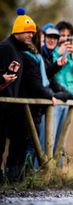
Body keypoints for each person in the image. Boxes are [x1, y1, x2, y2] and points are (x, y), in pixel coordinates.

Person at [0, 7, 36, 182]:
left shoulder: (19, 52)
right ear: (17, 32)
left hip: (12, 107)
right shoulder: (5, 47)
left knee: (18, 142)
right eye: (27, 32)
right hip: (2, 105)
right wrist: (1, 79)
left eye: (32, 33)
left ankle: (12, 180)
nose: (31, 35)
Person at [51, 21, 73, 167]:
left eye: (68, 35)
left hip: (70, 100)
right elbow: (49, 72)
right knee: (50, 137)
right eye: (62, 35)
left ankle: (57, 173)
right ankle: (44, 171)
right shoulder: (52, 52)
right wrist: (57, 54)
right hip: (55, 98)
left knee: (62, 139)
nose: (65, 38)